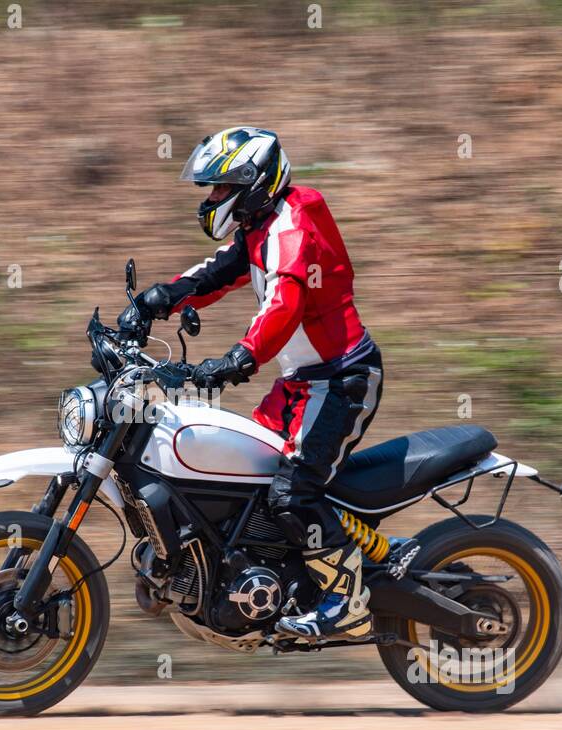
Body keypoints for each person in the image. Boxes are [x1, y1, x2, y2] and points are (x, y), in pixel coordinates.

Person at [119, 126, 418, 639]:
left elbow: (285, 303)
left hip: (340, 380)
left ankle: (347, 601)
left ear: (253, 183)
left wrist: (237, 359)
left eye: (219, 188)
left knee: (291, 493)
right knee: (242, 478)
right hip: (300, 384)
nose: (212, 199)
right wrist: (157, 300)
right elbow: (219, 272)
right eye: (210, 190)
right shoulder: (262, 224)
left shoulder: (292, 228)